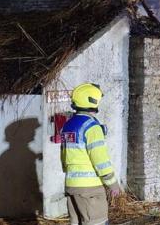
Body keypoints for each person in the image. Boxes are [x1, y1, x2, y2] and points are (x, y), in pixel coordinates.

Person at [61, 83, 121, 225]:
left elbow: (63, 158)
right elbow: (100, 160)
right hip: (90, 189)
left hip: (71, 186)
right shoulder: (92, 127)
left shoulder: (67, 126)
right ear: (93, 101)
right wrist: (112, 184)